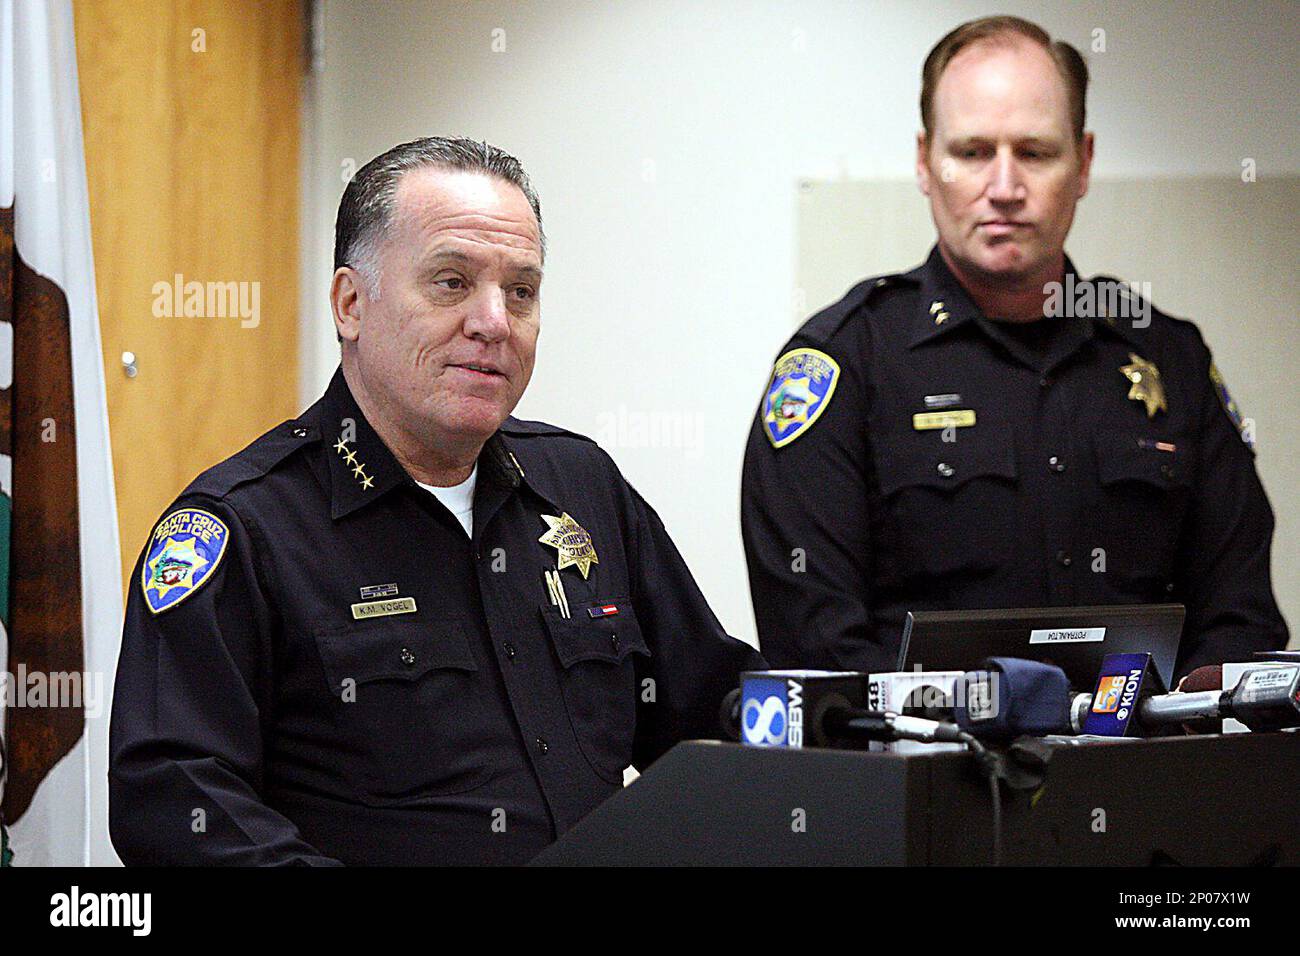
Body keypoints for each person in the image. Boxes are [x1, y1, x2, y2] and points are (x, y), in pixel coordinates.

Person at [110, 137, 763, 865]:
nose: (495, 322)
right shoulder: (241, 529)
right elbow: (173, 804)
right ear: (351, 304)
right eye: (452, 283)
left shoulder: (582, 486)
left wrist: (872, 726)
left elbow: (713, 713)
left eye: (521, 291)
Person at [741, 16, 1287, 677]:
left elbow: (1241, 619)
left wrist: (1178, 733)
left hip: (1147, 770)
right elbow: (815, 650)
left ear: (1083, 164)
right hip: (924, 775)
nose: (1004, 188)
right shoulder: (844, 365)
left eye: (1034, 152)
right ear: (924, 162)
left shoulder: (1170, 359)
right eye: (972, 153)